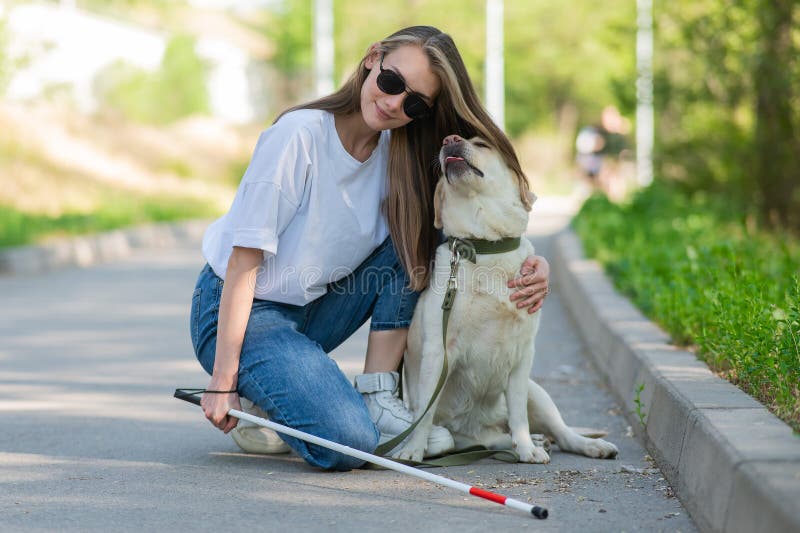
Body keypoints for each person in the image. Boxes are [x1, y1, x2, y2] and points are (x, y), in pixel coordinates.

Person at [189, 25, 551, 471]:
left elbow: (470, 222)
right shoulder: (299, 136)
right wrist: (223, 380)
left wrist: (531, 262)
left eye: (414, 102)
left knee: (419, 234)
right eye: (392, 82)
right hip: (240, 311)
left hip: (312, 310)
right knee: (349, 440)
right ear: (371, 59)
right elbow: (244, 261)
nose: (395, 103)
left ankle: (375, 393)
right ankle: (262, 390)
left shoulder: (398, 155)